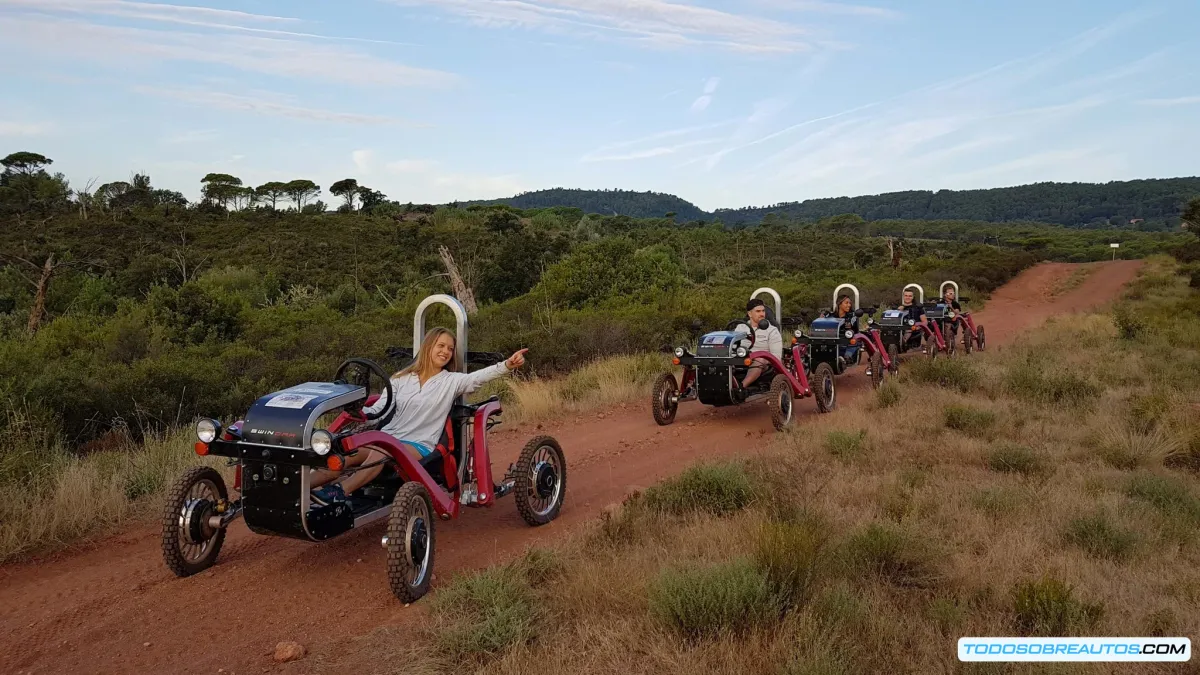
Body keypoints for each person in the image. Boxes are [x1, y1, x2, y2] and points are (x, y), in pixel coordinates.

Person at [307, 327, 527, 504]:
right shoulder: (401, 379)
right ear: (428, 347)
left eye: (450, 349)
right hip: (388, 437)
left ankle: (339, 492)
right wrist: (360, 413)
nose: (445, 352)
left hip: (419, 444)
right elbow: (378, 411)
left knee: (382, 449)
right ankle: (301, 487)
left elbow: (477, 378)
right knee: (346, 452)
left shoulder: (450, 381)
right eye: (441, 346)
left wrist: (507, 365)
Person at [734, 298, 783, 389]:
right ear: (750, 314)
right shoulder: (741, 328)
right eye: (758, 311)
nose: (762, 314)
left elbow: (776, 357)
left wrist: (761, 358)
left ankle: (741, 387)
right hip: (742, 359)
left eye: (763, 311)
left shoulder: (772, 330)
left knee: (759, 360)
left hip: (762, 362)